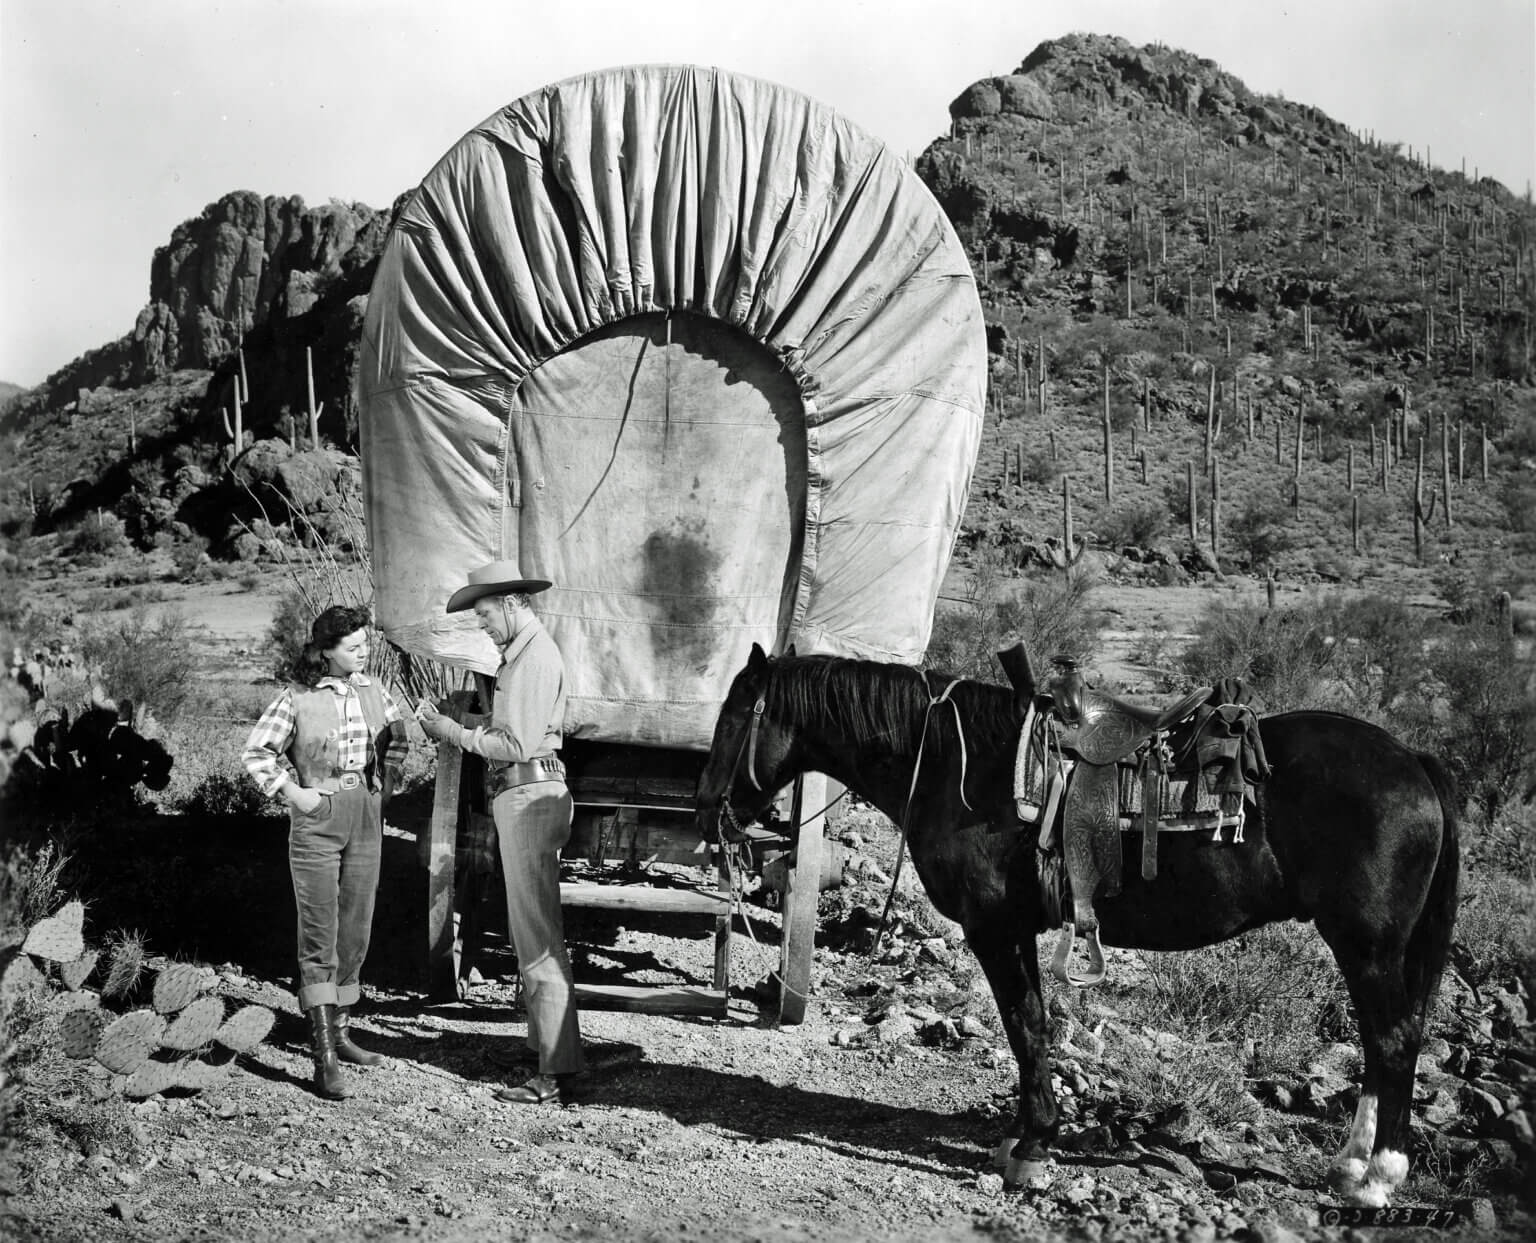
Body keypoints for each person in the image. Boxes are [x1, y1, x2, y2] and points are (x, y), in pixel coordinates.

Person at [417, 560, 584, 1105]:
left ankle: (553, 1073)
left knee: (536, 936)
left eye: (486, 613)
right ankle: (543, 1048)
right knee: (530, 931)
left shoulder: (532, 659)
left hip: (529, 796)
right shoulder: (525, 655)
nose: (484, 624)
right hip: (527, 797)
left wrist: (453, 732)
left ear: (513, 604)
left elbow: (515, 746)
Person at [242, 604, 407, 1100]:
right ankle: (323, 1053)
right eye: (354, 646)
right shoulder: (296, 697)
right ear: (325, 651)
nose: (364, 652)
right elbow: (256, 753)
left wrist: (389, 777)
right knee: (320, 929)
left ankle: (342, 1032)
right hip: (317, 816)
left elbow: (399, 741)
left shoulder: (377, 692)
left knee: (357, 926)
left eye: (366, 644)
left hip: (367, 814)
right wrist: (295, 794)